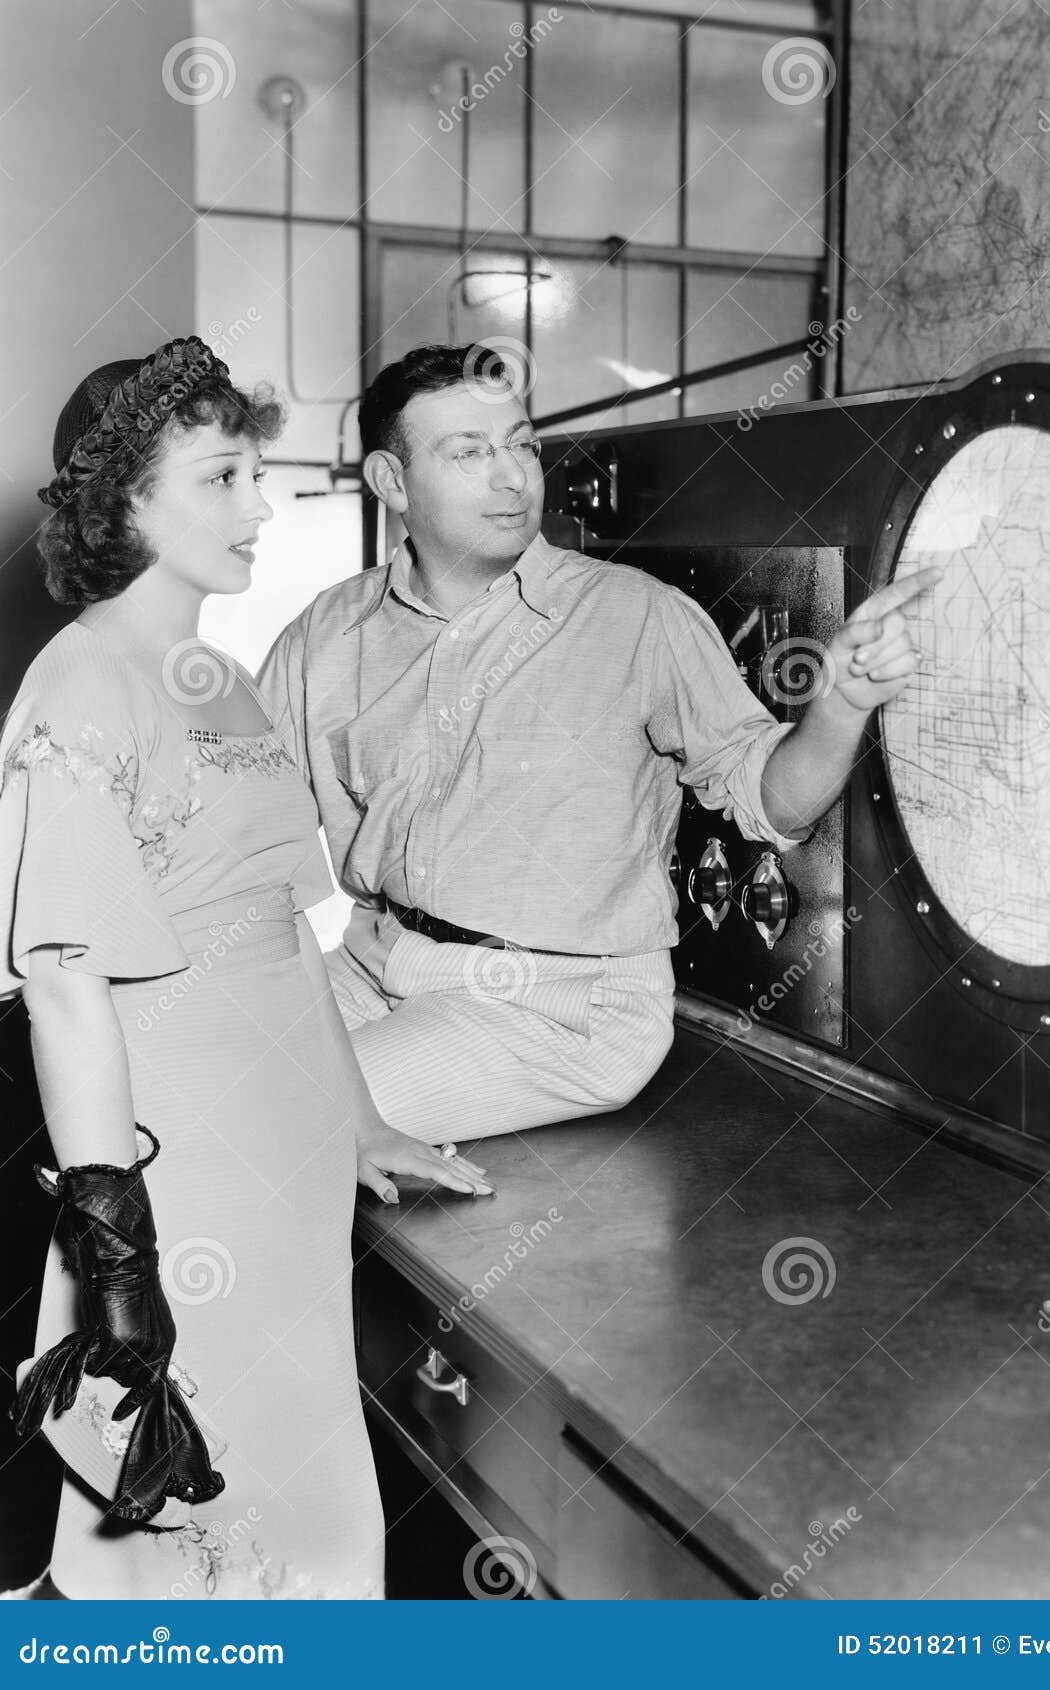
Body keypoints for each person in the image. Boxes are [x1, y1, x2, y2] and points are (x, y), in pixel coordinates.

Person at [1, 336, 488, 1602]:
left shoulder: (222, 676)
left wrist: (362, 1118)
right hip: (179, 1170)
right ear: (125, 504)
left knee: (307, 1488)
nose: (260, 507)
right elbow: (65, 987)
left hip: (288, 1161)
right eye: (221, 478)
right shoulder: (80, 684)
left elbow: (280, 931)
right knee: (199, 1515)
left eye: (254, 474)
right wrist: (115, 1242)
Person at [260, 344, 938, 1153]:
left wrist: (839, 709)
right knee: (164, 1070)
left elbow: (769, 802)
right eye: (469, 453)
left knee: (275, 1121)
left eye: (521, 444)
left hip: (559, 1007)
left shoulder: (637, 618)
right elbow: (241, 829)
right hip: (375, 966)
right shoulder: (327, 635)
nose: (512, 476)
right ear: (390, 482)